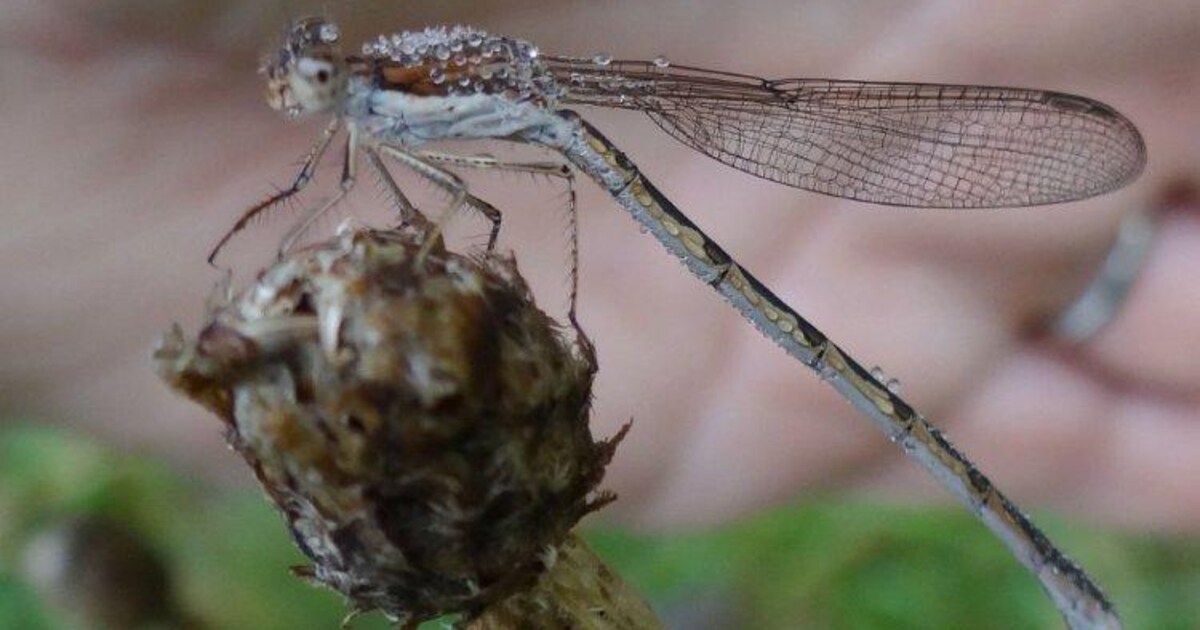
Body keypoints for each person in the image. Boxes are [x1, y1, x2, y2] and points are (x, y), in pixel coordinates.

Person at [2, 0, 1197, 533]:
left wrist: (563, 308)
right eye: (305, 82)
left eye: (311, 83)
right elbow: (387, 190)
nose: (301, 97)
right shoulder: (366, 122)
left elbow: (489, 186)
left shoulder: (393, 99)